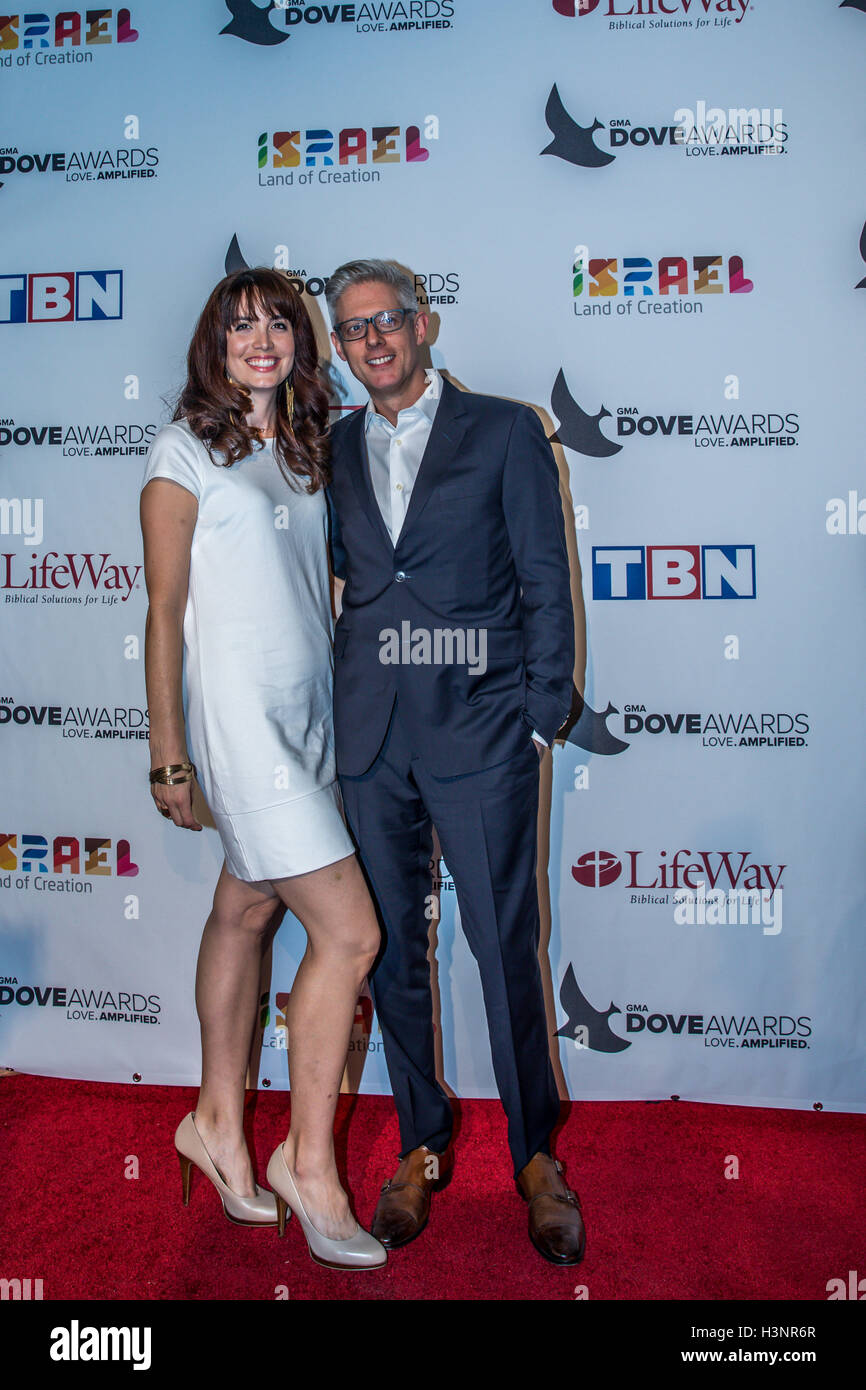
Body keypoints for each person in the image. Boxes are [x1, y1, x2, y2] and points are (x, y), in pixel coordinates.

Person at [324, 258, 586, 1265]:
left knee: (500, 941)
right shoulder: (335, 446)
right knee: (386, 954)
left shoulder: (506, 429)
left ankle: (534, 1157)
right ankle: (420, 1147)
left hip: (481, 726)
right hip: (369, 735)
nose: (372, 341)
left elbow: (541, 576)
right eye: (351, 331)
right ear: (339, 349)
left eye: (386, 320)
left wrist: (536, 710)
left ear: (422, 324)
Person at [140, 267, 385, 1271]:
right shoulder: (180, 449)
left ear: (299, 342)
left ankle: (213, 1124)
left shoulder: (303, 451)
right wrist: (167, 754)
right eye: (241, 325)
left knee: (242, 913)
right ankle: (308, 1163)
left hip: (309, 723)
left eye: (278, 323)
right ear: (214, 342)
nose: (261, 339)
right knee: (353, 932)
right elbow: (162, 613)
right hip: (240, 734)